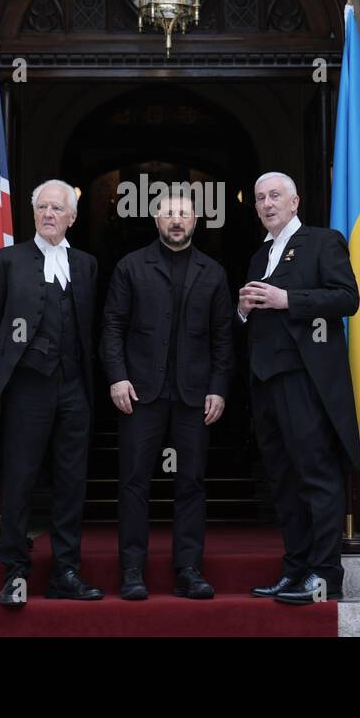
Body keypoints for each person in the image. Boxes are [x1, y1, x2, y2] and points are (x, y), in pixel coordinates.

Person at [101, 191, 234, 601]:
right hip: (141, 393)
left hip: (195, 396)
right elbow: (112, 327)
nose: (176, 221)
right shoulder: (130, 266)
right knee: (134, 483)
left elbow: (223, 338)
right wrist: (117, 378)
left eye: (184, 214)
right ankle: (132, 571)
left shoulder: (213, 272)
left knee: (191, 483)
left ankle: (189, 570)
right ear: (156, 219)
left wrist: (219, 387)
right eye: (169, 214)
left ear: (197, 220)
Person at [237, 171, 360, 605]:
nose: (267, 203)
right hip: (267, 384)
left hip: (306, 381)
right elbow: (255, 318)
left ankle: (326, 577)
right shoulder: (259, 257)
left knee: (316, 477)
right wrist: (243, 309)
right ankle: (295, 571)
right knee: (284, 482)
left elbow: (348, 298)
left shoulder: (323, 241)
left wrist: (288, 300)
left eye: (275, 196)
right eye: (260, 198)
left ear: (294, 202)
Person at [0, 179, 103, 606]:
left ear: (72, 217)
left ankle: (66, 572)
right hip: (27, 389)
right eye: (43, 208)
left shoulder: (86, 265)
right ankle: (15, 573)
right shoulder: (7, 261)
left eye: (57, 208)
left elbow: (92, 328)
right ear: (34, 215)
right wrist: (11, 371)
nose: (49, 214)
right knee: (20, 481)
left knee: (71, 483)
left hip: (74, 390)